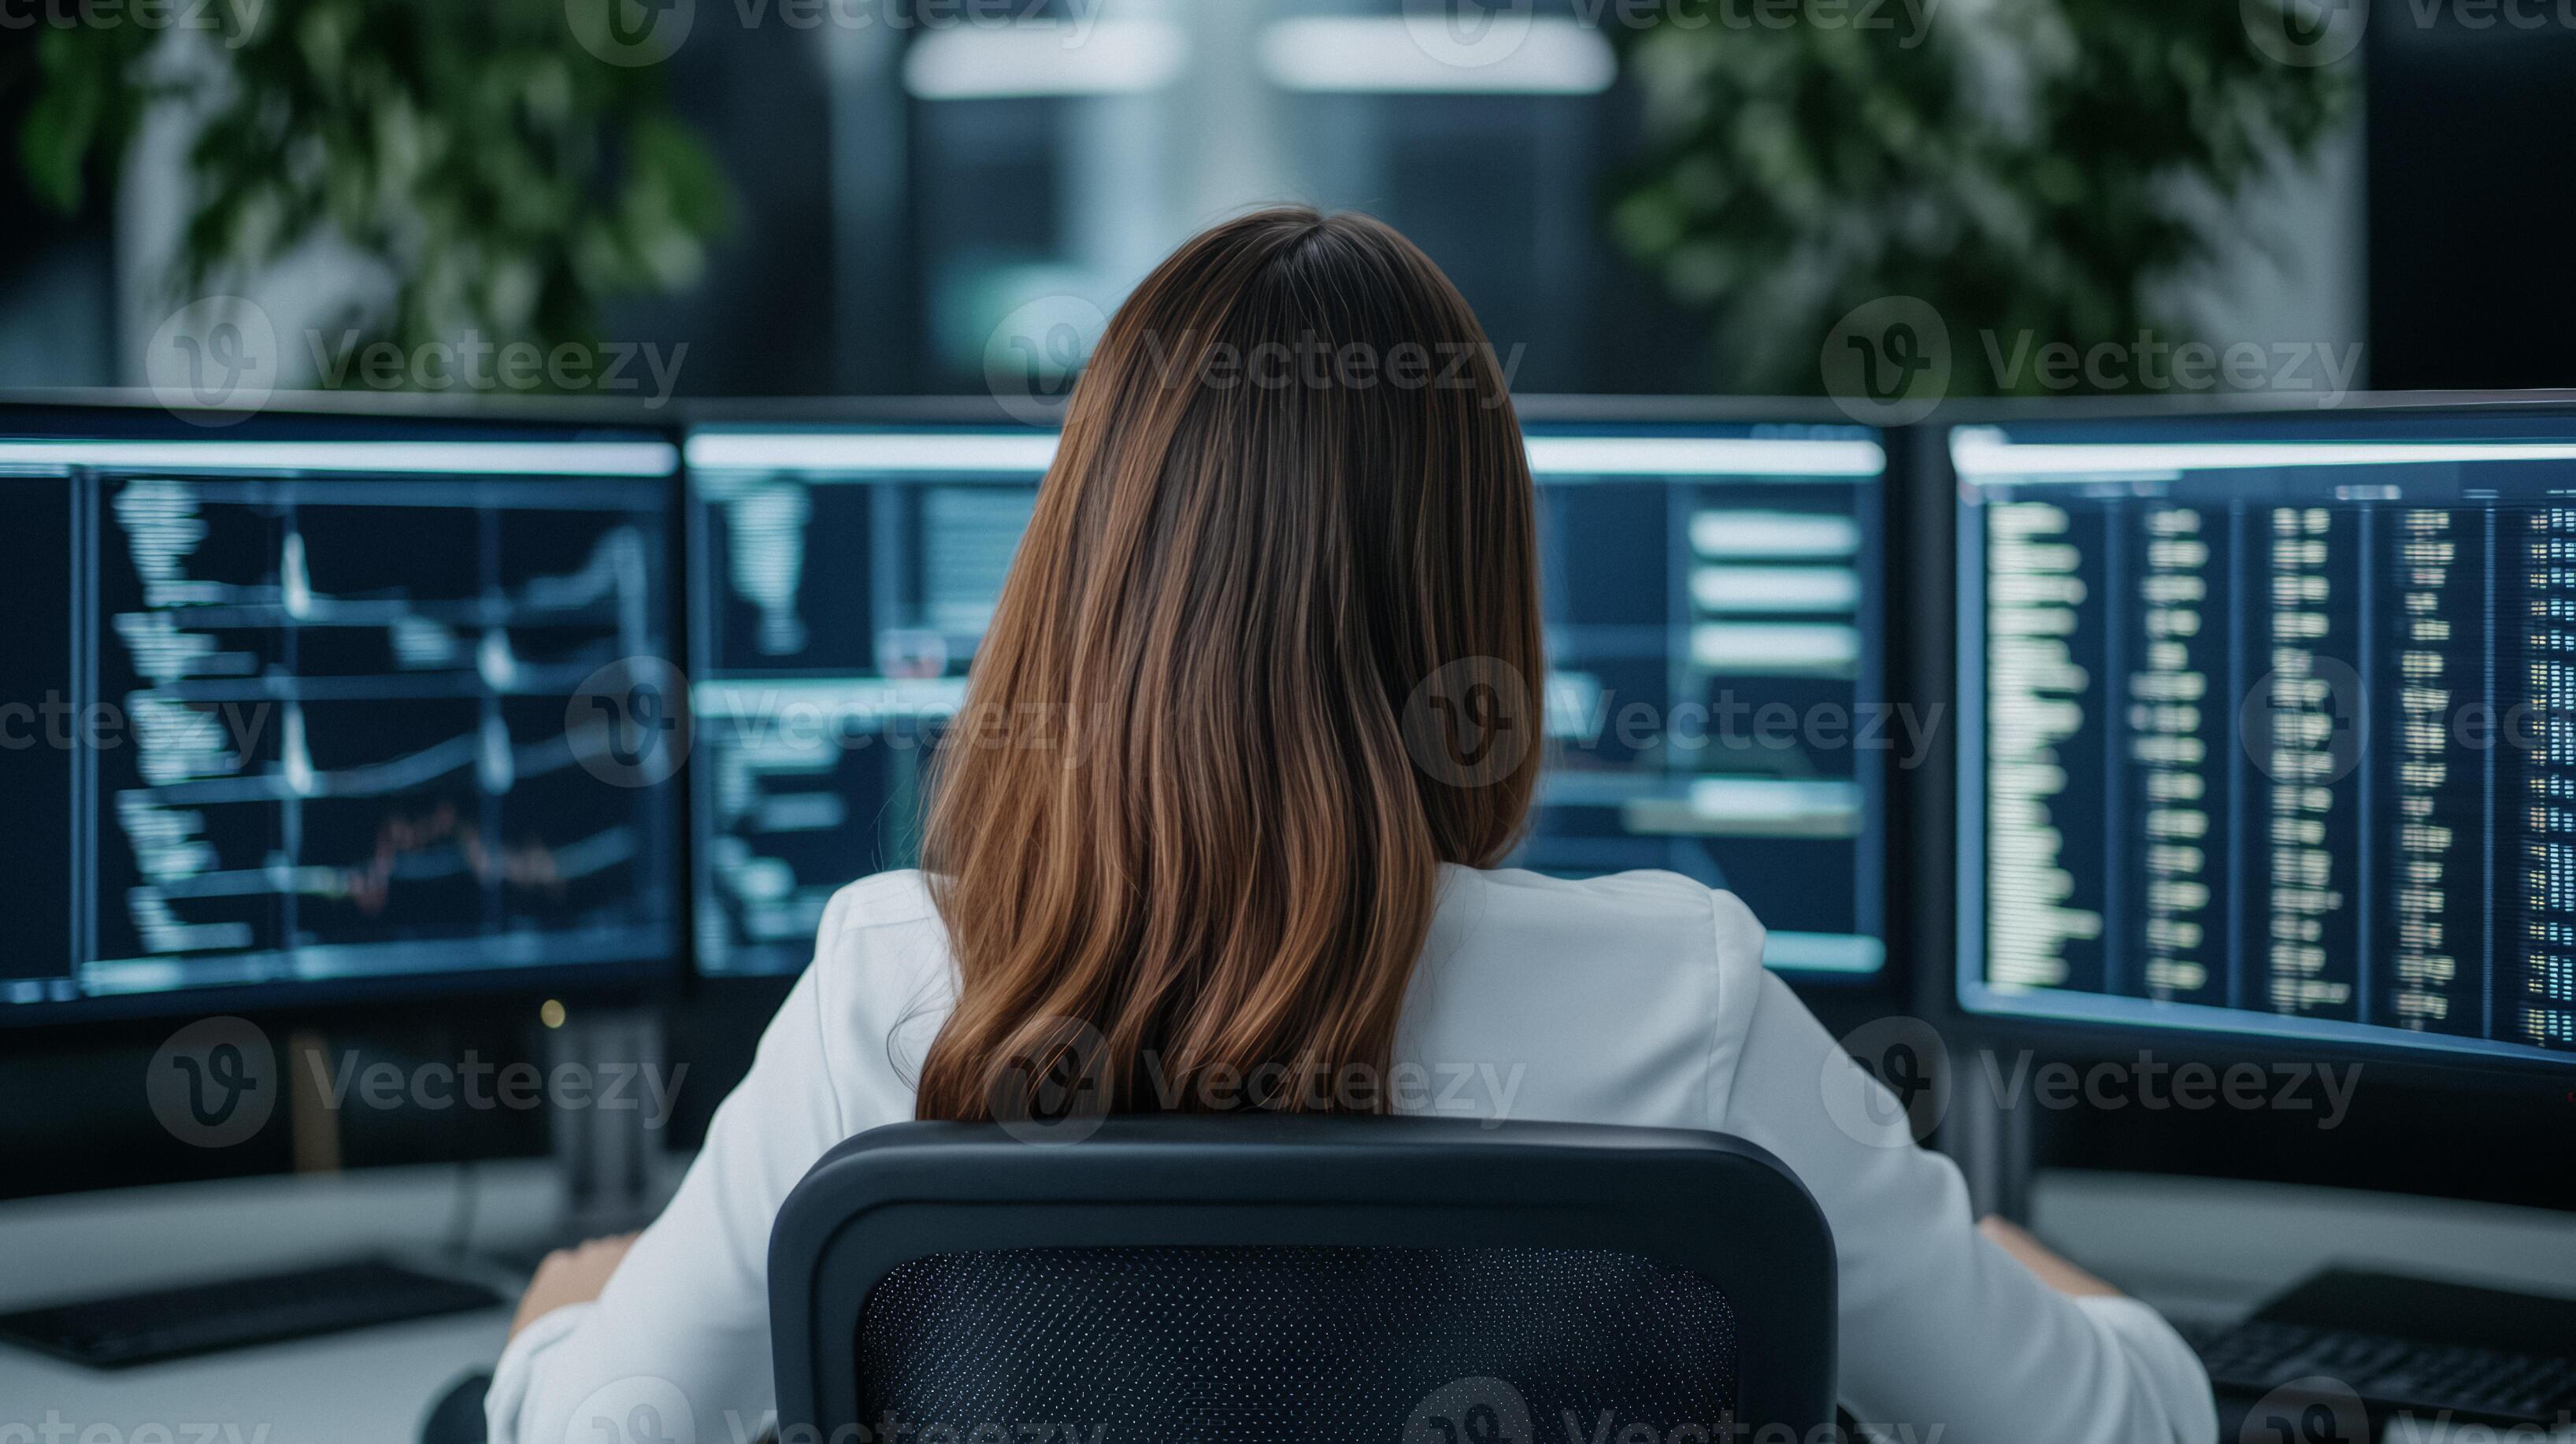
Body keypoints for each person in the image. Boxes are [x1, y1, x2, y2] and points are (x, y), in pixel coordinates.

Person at [486, 208, 2215, 1444]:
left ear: (1084, 594)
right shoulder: (1683, 1002)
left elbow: (602, 1428)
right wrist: (2031, 1266)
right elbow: (2115, 1426)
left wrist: (566, 1314)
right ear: (1473, 610)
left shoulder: (895, 981)